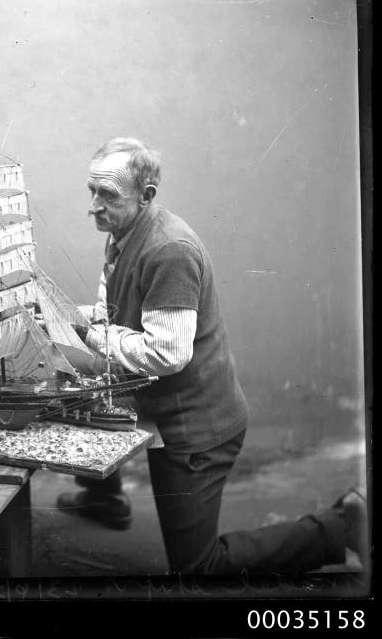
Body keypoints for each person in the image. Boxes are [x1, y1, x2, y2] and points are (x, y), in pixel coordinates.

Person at [56, 137, 368, 574]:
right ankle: (104, 497)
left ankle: (341, 526)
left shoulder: (168, 251)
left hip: (197, 430)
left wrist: (89, 332)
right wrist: (63, 313)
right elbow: (114, 316)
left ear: (147, 196)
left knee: (198, 567)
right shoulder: (123, 234)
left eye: (107, 194)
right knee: (66, 372)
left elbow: (166, 355)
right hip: (167, 408)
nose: (93, 205)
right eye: (91, 190)